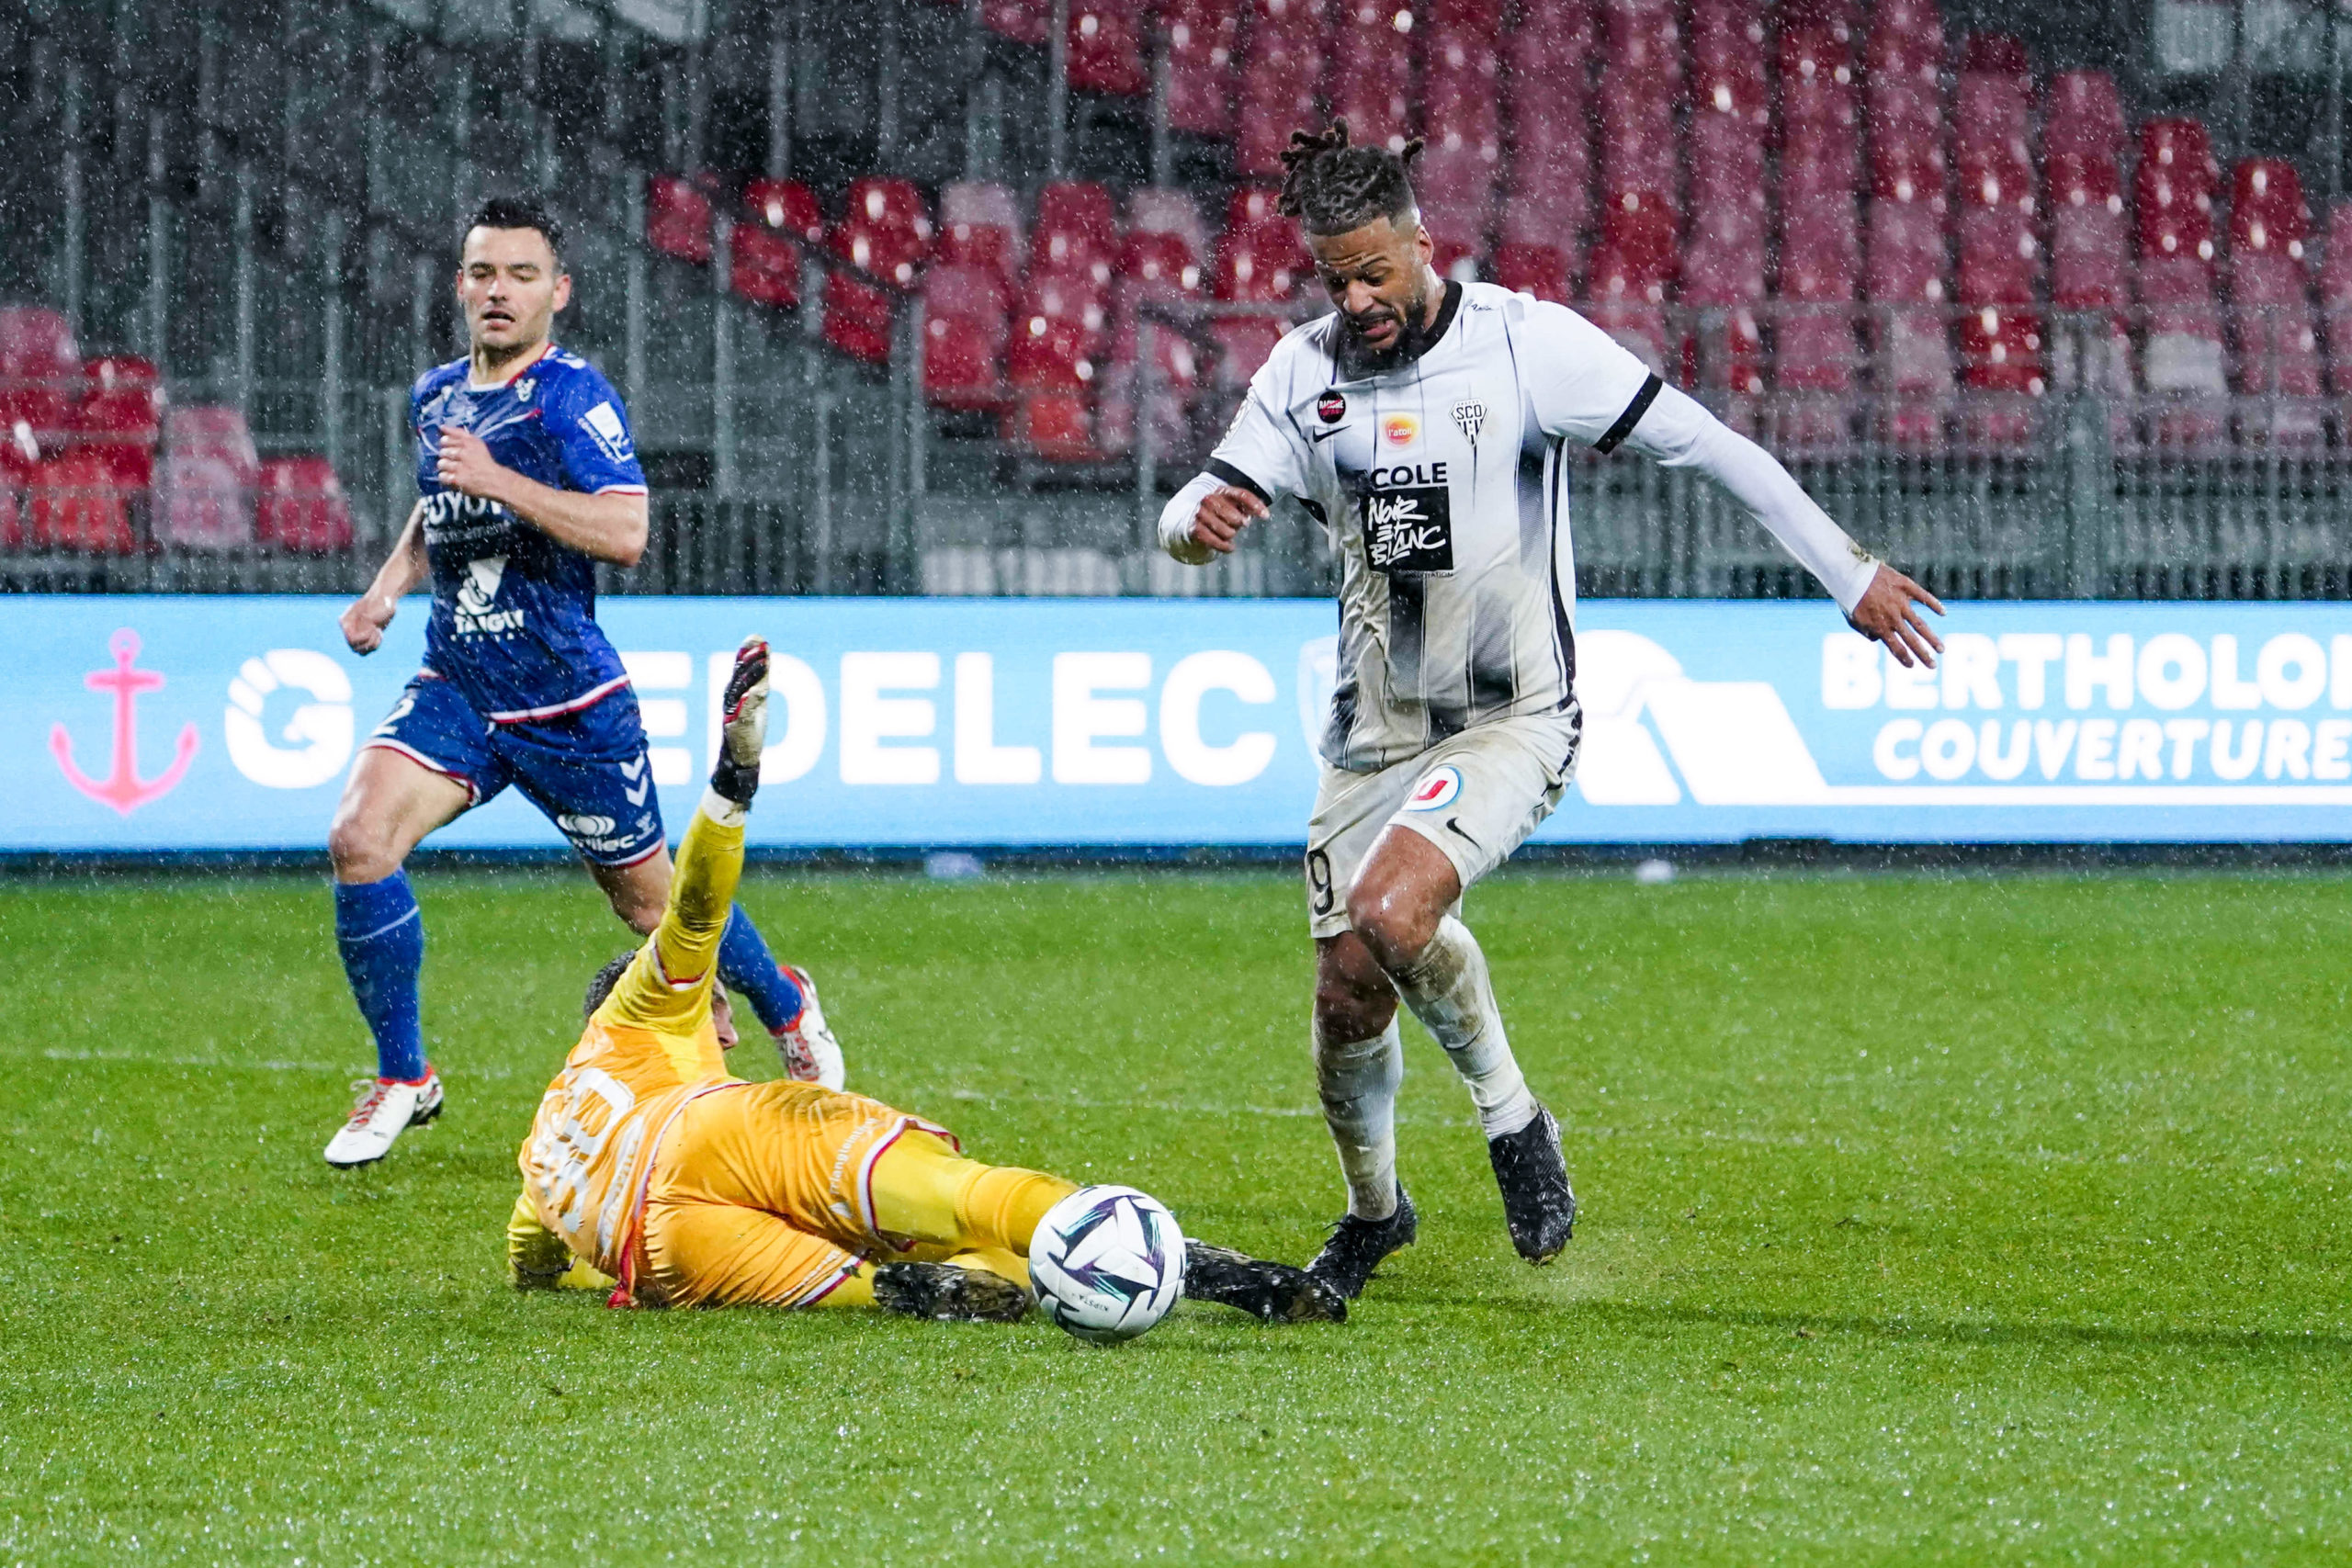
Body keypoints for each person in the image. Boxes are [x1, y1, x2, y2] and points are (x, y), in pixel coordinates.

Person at [1158, 122, 1946, 1300]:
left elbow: (1710, 445)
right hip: (1371, 731)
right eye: (1336, 277)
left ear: (1425, 242)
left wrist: (1848, 574)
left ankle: (1513, 1119)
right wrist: (1195, 520)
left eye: (1377, 270)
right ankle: (1374, 1215)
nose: (1359, 297)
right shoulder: (1298, 372)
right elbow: (1192, 509)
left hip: (1512, 716)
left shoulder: (1528, 348)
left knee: (1395, 904)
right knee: (1343, 992)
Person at [507, 637, 1346, 1327]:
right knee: (959, 1195)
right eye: (716, 1012)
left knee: (863, 1278)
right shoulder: (641, 1010)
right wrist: (733, 785)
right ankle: (1177, 1259)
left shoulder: (544, 1139)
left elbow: (532, 1263)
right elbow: (693, 914)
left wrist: (611, 1276)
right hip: (721, 1134)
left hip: (665, 1247)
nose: (727, 1034)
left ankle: (913, 1290)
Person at [322, 196, 840, 1169]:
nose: (498, 292)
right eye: (482, 273)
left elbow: (629, 533)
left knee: (653, 907)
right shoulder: (435, 397)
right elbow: (438, 508)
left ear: (557, 293)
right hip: (461, 681)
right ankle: (404, 1076)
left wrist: (502, 482)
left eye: (522, 275)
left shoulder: (571, 398)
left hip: (567, 699)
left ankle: (785, 1002)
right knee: (358, 837)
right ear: (460, 285)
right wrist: (386, 588)